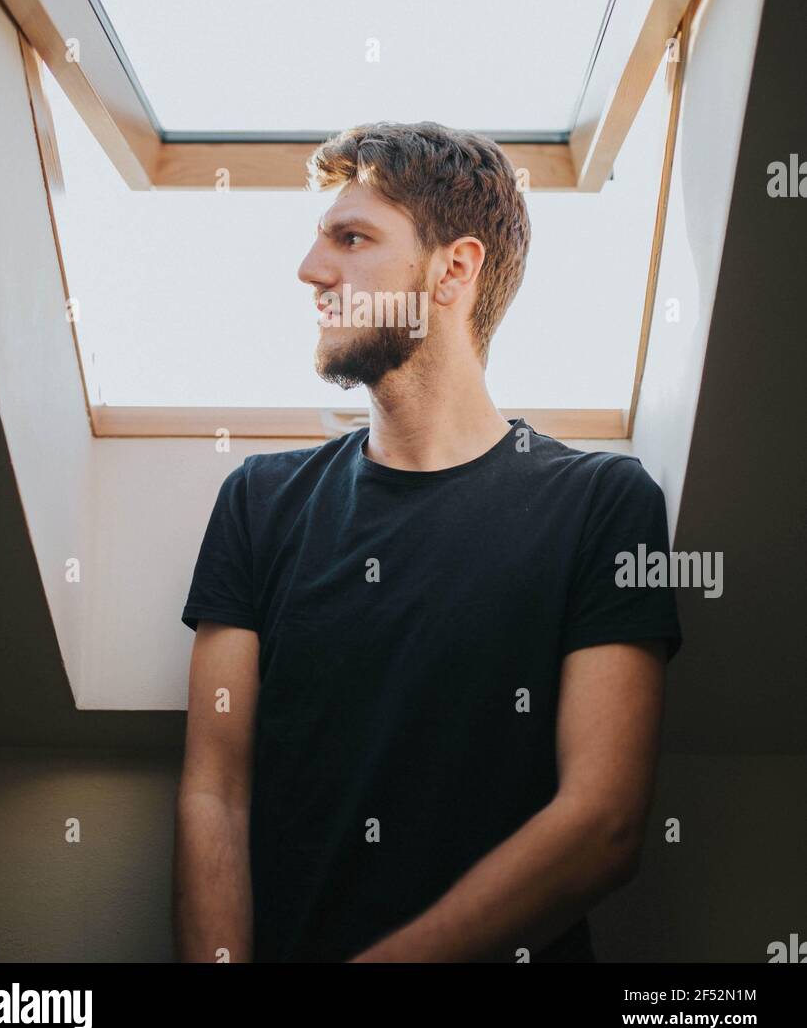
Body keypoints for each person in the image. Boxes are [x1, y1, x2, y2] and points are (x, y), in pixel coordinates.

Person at [173, 121, 683, 963]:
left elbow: (605, 824)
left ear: (454, 269)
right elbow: (213, 793)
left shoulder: (603, 505)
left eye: (352, 238)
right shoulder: (259, 503)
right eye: (319, 239)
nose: (311, 270)